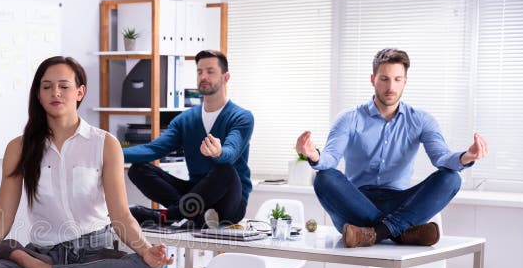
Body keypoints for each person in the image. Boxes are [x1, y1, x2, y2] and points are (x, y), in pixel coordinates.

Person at [0, 56, 169, 268]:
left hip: (95, 255)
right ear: (38, 94)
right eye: (47, 86)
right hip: (45, 253)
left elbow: (121, 216)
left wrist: (146, 251)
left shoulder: (105, 144)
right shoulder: (18, 148)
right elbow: (2, 217)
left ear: (80, 92)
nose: (56, 93)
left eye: (64, 86)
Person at [295, 48, 489, 248]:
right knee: (324, 177)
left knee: (451, 178)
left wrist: (466, 157)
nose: (391, 87)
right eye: (384, 79)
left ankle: (374, 233)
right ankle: (401, 232)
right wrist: (314, 155)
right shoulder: (349, 118)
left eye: (397, 79)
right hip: (355, 204)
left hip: (399, 204)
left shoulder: (421, 120)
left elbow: (441, 157)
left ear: (405, 81)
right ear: (373, 79)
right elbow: (330, 158)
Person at [123, 50, 254, 227]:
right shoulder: (185, 120)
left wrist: (219, 152)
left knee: (225, 169)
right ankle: (194, 217)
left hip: (228, 203)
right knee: (138, 169)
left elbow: (231, 151)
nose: (203, 76)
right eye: (200, 72)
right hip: (196, 195)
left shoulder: (242, 117)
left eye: (210, 71)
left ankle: (170, 216)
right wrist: (111, 152)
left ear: (226, 77)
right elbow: (153, 149)